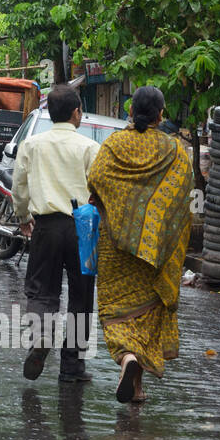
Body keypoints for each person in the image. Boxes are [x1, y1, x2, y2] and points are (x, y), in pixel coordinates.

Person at [87, 87, 193, 404]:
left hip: (115, 249)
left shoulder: (114, 144)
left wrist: (120, 211)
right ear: (161, 114)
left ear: (130, 112)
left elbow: (96, 178)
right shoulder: (174, 150)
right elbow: (181, 192)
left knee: (115, 312)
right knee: (146, 314)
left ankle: (127, 362)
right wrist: (152, 228)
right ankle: (135, 380)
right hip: (154, 251)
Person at [12, 84, 100, 384]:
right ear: (77, 113)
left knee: (42, 290)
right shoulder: (90, 148)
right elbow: (100, 191)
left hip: (45, 226)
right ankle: (71, 366)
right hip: (82, 231)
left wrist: (23, 217)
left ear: (49, 113)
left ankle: (41, 338)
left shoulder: (33, 145)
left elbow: (19, 186)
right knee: (81, 296)